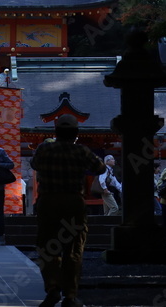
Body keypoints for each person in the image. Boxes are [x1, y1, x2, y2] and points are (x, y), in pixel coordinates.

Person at [30, 115, 104, 307]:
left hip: (48, 201)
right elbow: (100, 168)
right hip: (73, 202)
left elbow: (34, 164)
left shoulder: (44, 149)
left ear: (56, 132)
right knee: (73, 248)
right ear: (76, 133)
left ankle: (53, 288)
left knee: (47, 246)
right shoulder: (81, 151)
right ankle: (70, 295)